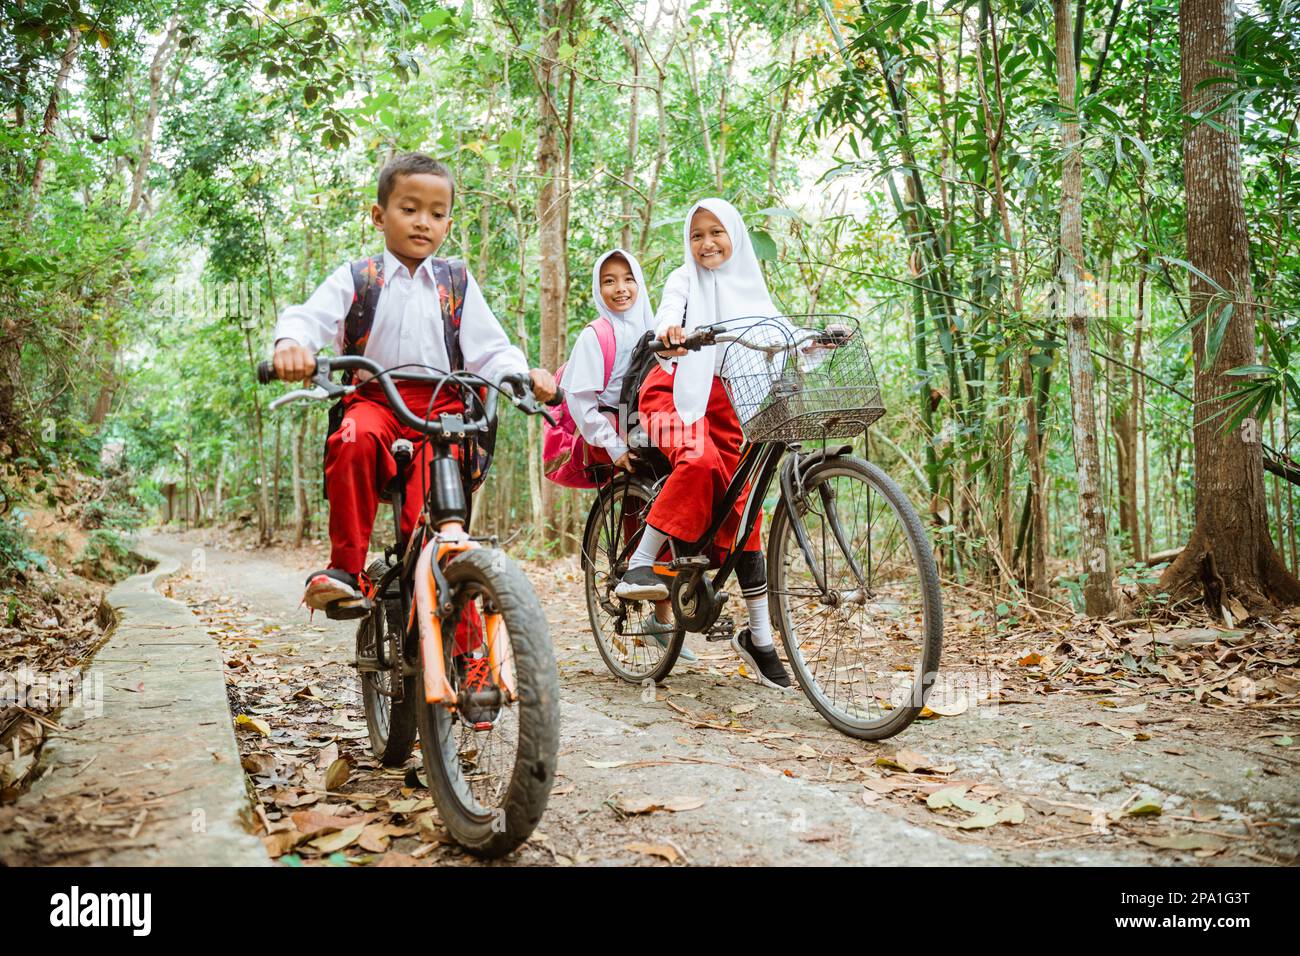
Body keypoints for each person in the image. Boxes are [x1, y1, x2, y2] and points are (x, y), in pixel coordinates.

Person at [271, 152, 556, 611]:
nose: (423, 221)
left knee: (433, 525)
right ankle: (346, 570)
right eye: (409, 209)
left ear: (447, 224)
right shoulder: (359, 277)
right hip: (373, 400)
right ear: (379, 216)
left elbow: (490, 349)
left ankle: (454, 631)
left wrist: (521, 374)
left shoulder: (456, 281)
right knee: (353, 437)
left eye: (436, 213)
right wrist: (292, 344)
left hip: (442, 408)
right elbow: (310, 317)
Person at [616, 198, 792, 689]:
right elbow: (670, 310)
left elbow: (778, 328)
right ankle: (639, 565)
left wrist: (815, 340)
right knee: (697, 460)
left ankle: (759, 639)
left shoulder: (749, 286)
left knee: (746, 506)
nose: (707, 243)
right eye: (697, 235)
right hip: (670, 390)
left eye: (717, 232)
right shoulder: (683, 280)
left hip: (724, 401)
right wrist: (670, 328)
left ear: (734, 235)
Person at [559, 248, 694, 661]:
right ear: (599, 290)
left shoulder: (656, 326)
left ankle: (663, 608)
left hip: (651, 421)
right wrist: (614, 447)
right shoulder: (595, 334)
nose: (621, 289)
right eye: (609, 281)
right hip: (615, 430)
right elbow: (580, 398)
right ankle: (659, 604)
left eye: (628, 279)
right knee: (649, 506)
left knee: (680, 490)